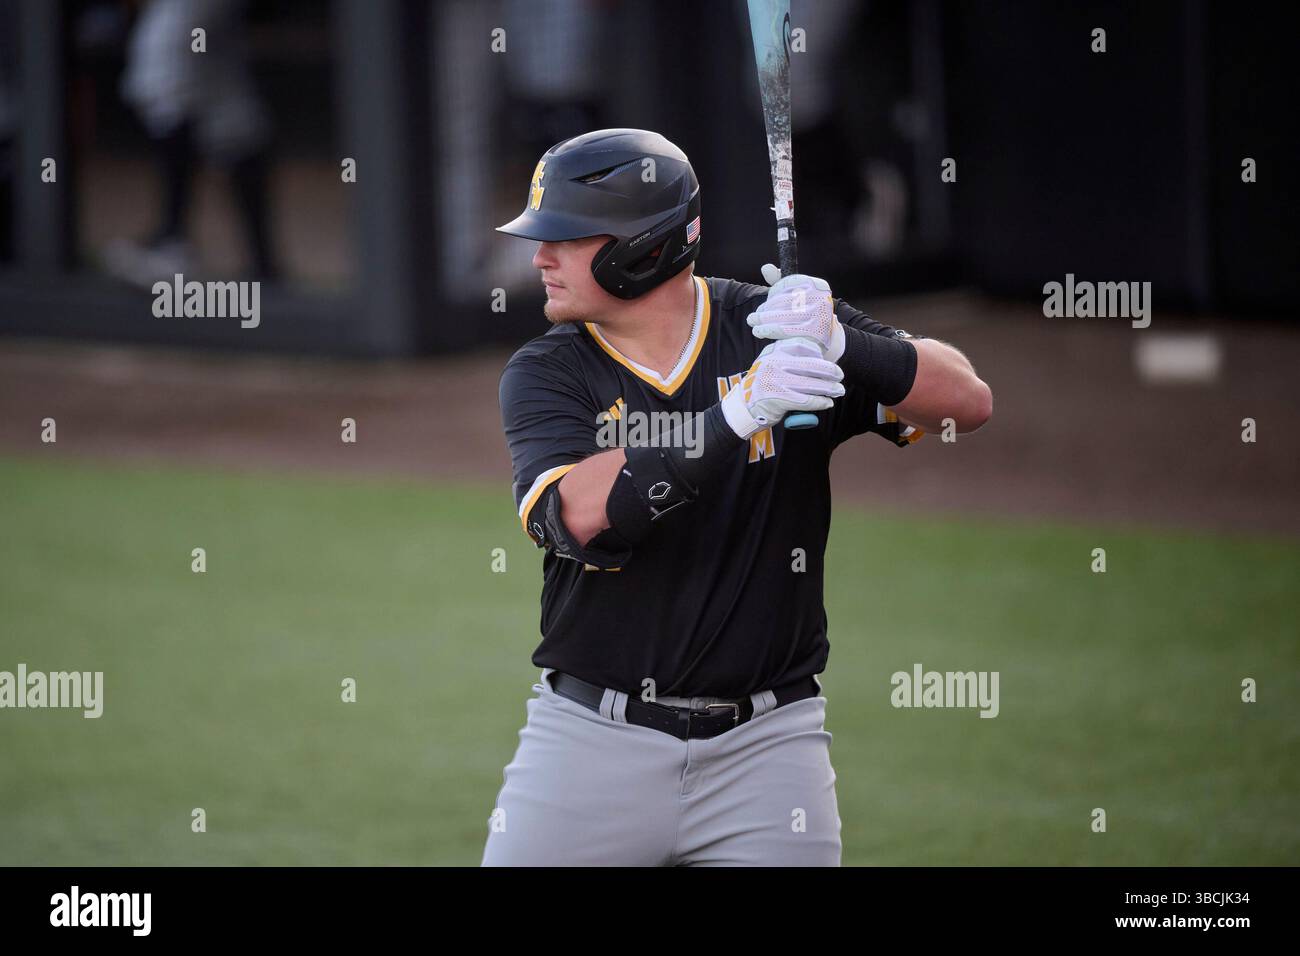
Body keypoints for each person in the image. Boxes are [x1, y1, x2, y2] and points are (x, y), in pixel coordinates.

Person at [485, 128, 991, 866]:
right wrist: (736, 416)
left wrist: (843, 343)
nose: (539, 258)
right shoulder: (548, 372)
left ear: (643, 246)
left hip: (771, 753)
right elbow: (575, 517)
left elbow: (966, 404)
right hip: (590, 744)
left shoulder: (775, 332)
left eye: (564, 237)